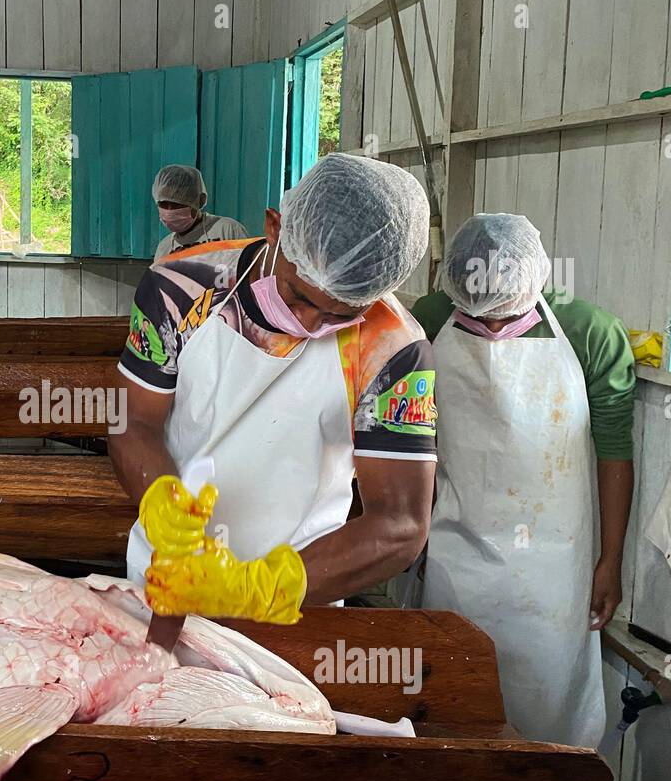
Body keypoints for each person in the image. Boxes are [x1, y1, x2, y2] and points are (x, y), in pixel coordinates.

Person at [112, 153, 437, 626]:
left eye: (339, 314)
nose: (308, 322)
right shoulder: (179, 288)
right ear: (274, 227)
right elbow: (133, 422)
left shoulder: (394, 349)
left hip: (301, 596)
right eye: (299, 295)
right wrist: (161, 498)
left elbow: (401, 524)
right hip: (166, 575)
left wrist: (262, 589)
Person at [410, 213, 635, 748]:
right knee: (455, 691)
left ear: (536, 283)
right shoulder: (431, 317)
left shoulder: (589, 333)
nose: (490, 329)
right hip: (453, 544)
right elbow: (411, 435)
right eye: (476, 317)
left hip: (556, 560)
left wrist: (611, 558)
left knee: (545, 695)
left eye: (503, 316)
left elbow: (614, 451)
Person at [152, 164, 247, 262]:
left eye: (177, 204)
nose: (169, 211)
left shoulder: (227, 230)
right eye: (163, 204)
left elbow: (251, 270)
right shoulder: (164, 249)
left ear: (199, 201)